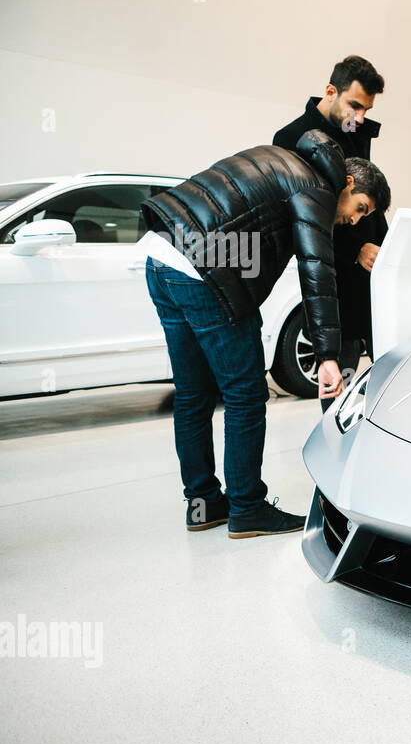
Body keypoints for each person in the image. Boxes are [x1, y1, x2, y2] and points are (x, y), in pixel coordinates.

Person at [139, 131, 391, 537]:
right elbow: (316, 271)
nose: (355, 220)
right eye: (360, 207)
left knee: (193, 393)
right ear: (347, 182)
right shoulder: (315, 188)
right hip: (202, 268)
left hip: (161, 254)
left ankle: (203, 505)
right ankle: (247, 507)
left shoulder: (286, 160)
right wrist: (328, 355)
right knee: (246, 394)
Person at [274, 55, 387, 409]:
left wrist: (382, 245)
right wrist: (355, 249)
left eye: (366, 109)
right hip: (333, 280)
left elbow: (367, 197)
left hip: (372, 274)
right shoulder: (292, 138)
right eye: (354, 106)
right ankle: (336, 451)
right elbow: (304, 221)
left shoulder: (355, 132)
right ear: (329, 91)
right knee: (340, 390)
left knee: (385, 380)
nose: (360, 117)